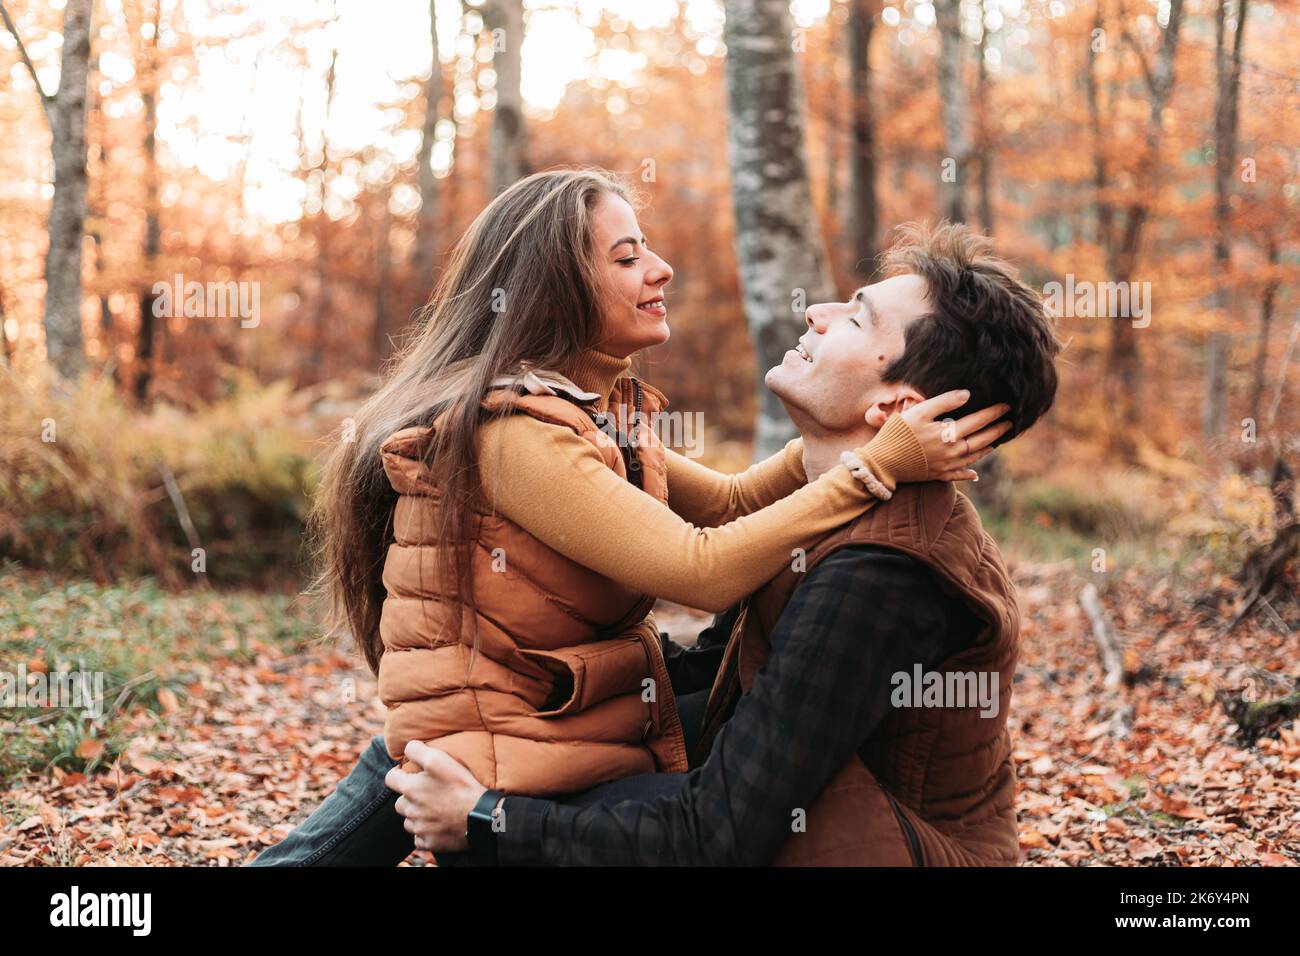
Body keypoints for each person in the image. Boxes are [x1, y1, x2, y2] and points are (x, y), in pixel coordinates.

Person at [249, 171, 1002, 867]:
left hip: (525, 735)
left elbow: (737, 505)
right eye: (627, 256)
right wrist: (869, 467)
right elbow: (700, 569)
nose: (662, 269)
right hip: (502, 740)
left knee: (422, 769)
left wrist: (851, 457)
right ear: (554, 291)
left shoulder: (585, 422)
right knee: (428, 770)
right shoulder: (519, 436)